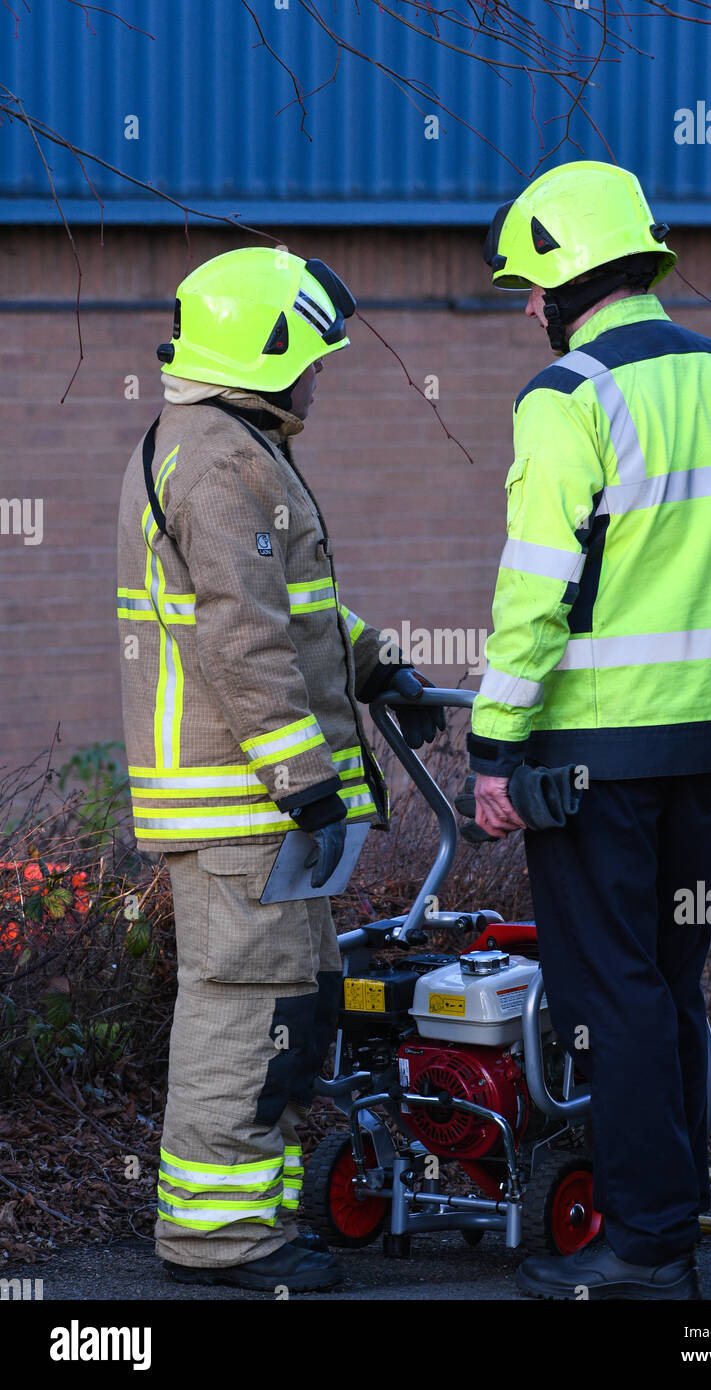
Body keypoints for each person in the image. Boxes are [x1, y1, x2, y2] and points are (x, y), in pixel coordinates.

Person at [467, 161, 711, 1300]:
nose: (526, 308)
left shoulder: (568, 397)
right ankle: (673, 1211)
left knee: (608, 992)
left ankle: (645, 1244)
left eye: (530, 284)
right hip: (703, 740)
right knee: (669, 981)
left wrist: (491, 748)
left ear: (567, 276)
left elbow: (534, 590)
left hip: (590, 754)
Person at [116, 246, 440, 1292]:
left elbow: (293, 612)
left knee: (282, 1011)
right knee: (241, 1012)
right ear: (267, 350)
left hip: (251, 806)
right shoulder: (218, 460)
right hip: (241, 805)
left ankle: (253, 1224)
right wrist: (304, 779)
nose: (317, 377)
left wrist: (377, 668)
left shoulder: (226, 446)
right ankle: (221, 1240)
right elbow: (242, 639)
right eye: (310, 356)